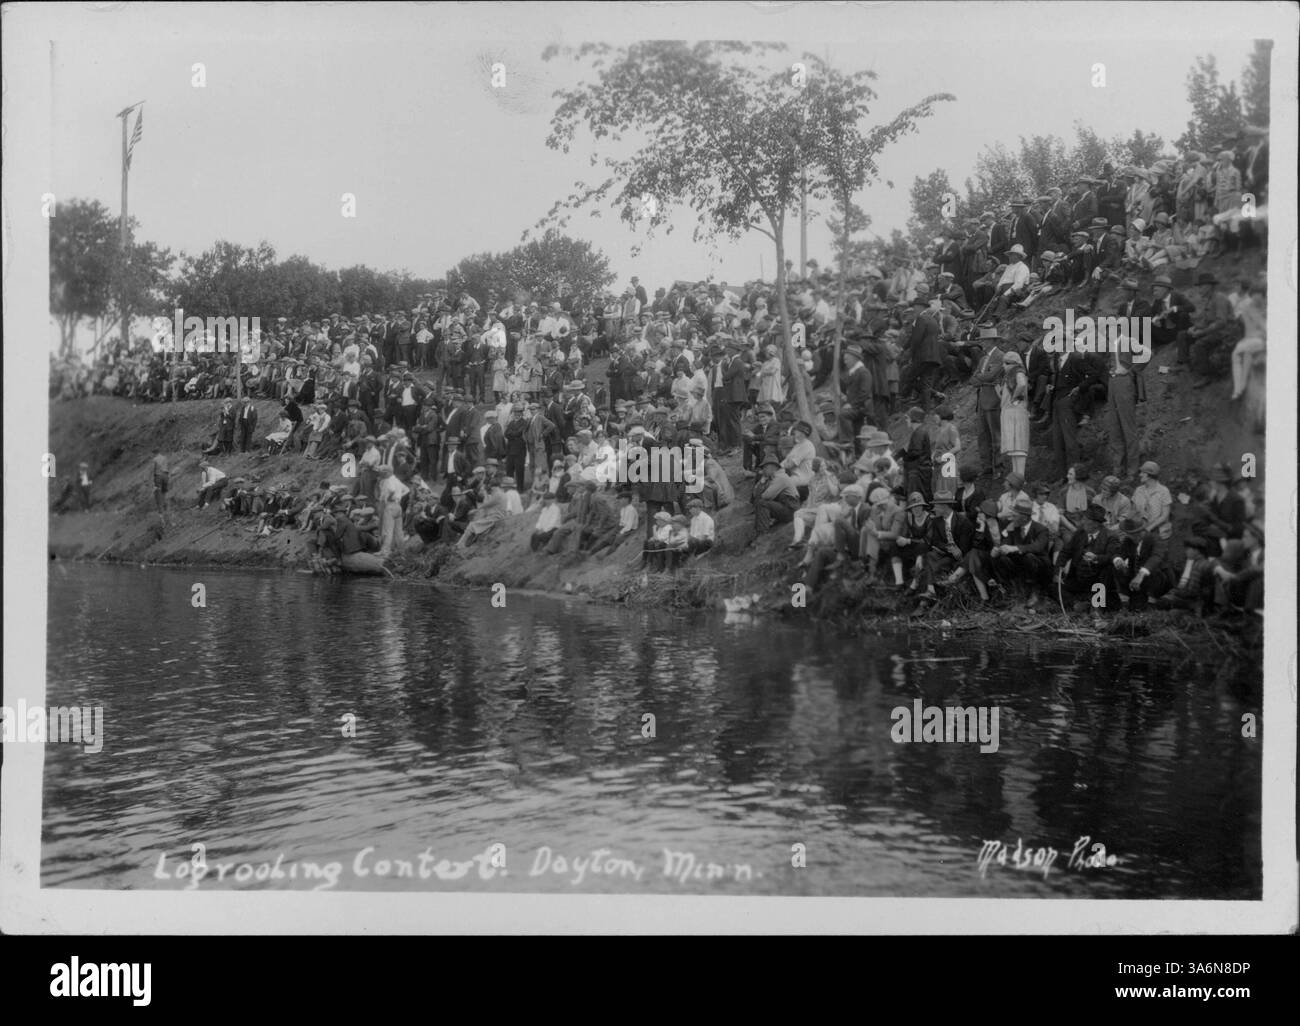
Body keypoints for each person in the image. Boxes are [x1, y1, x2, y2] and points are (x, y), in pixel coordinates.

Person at [1112, 515, 1171, 612]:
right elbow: (1118, 553)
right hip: (1135, 579)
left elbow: (1156, 558)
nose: (1134, 537)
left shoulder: (1156, 539)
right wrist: (1118, 560)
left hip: (1157, 581)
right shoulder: (1129, 540)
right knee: (1116, 568)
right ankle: (1125, 602)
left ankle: (1151, 603)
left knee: (1155, 571)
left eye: (1136, 533)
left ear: (1143, 530)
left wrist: (1141, 574)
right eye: (1131, 534)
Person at [998, 351, 1030, 478]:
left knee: (1018, 445)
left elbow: (1022, 384)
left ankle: (1020, 476)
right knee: (1014, 447)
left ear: (1013, 364)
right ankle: (1016, 475)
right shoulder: (1009, 376)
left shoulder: (1018, 372)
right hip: (1010, 412)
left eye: (1006, 363)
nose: (1004, 366)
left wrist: (1014, 397)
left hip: (1015, 411)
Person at [754, 456, 800, 535]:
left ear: (772, 467)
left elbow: (765, 496)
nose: (763, 470)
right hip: (786, 507)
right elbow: (755, 495)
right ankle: (763, 530)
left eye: (765, 467)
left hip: (791, 509)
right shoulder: (773, 478)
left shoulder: (780, 478)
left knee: (762, 503)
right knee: (760, 502)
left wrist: (762, 484)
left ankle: (763, 534)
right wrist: (762, 482)